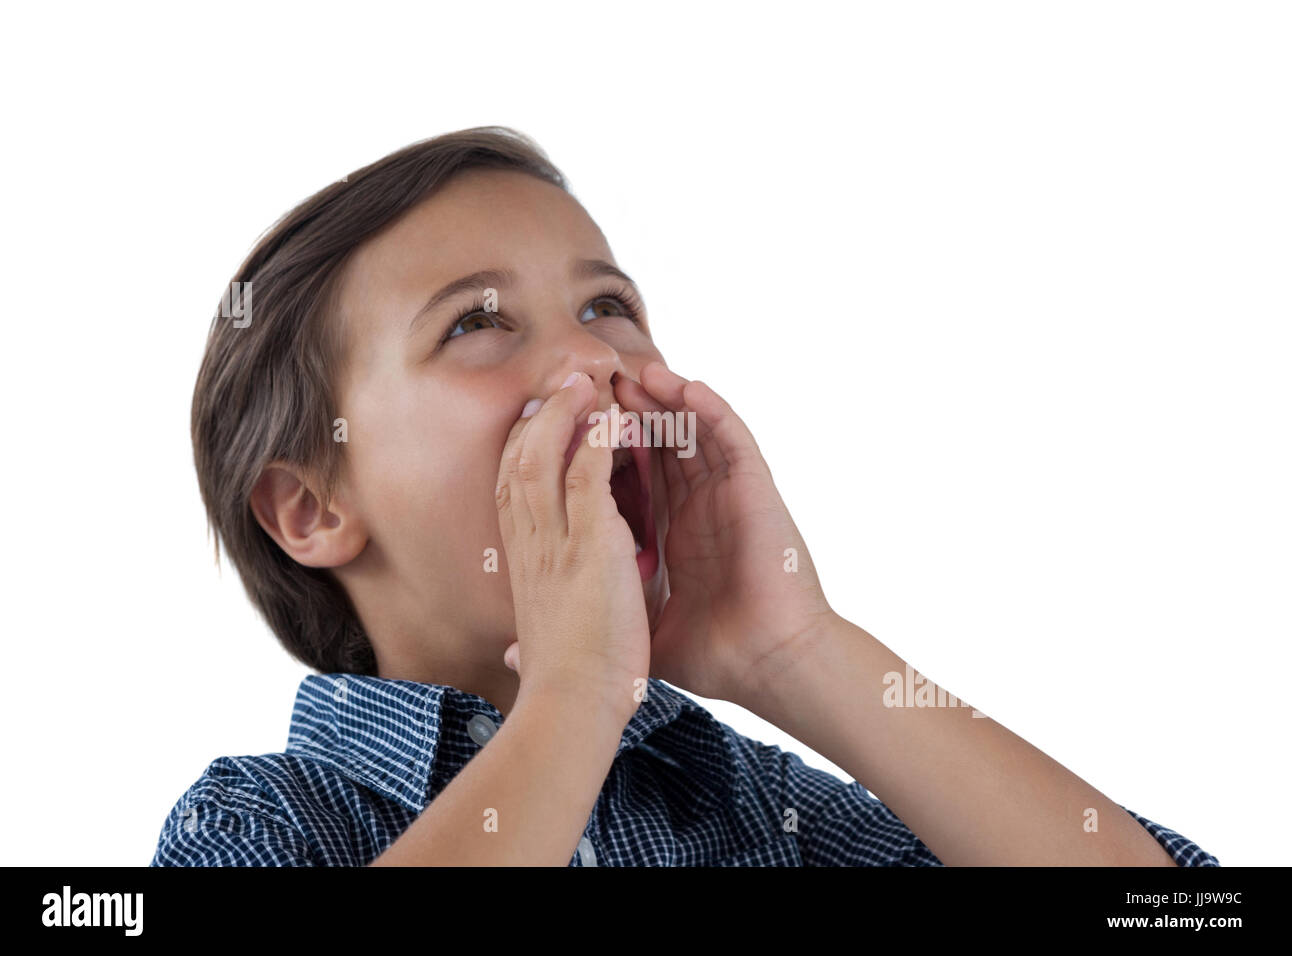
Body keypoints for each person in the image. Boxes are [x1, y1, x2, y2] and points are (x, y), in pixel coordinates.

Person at [151, 126, 1218, 866]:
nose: (591, 359)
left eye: (606, 306)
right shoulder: (254, 822)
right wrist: (572, 695)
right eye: (475, 322)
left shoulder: (750, 802)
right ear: (310, 509)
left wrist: (795, 650)